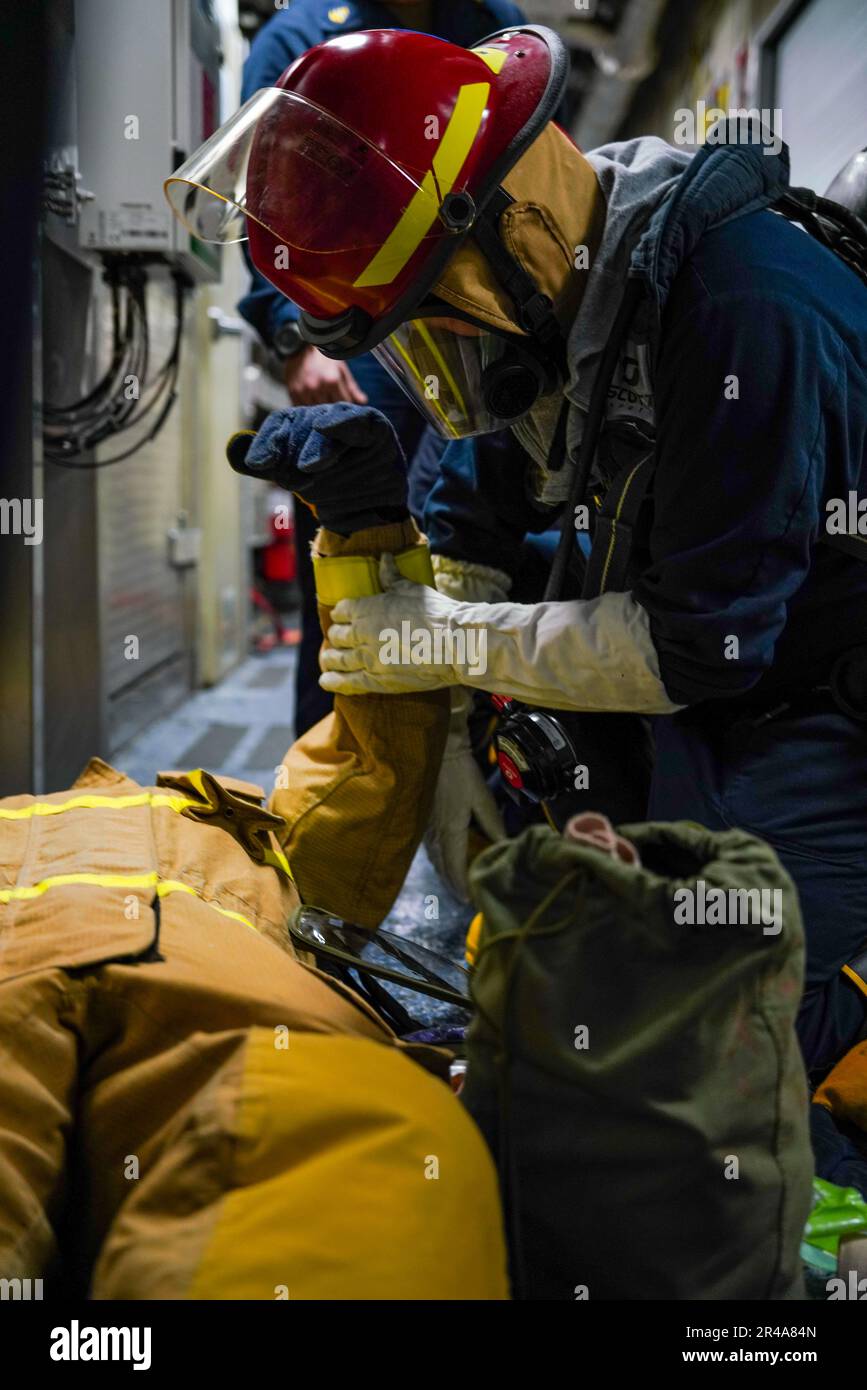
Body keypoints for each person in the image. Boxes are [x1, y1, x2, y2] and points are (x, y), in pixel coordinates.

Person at [164, 24, 867, 1079]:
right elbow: (467, 528)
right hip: (705, 674)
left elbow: (698, 653)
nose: (434, 355)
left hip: (818, 699)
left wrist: (445, 645)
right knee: (581, 933)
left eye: (430, 310)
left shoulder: (741, 311)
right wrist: (439, 712)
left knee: (707, 1034)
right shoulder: (553, 301)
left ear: (517, 221)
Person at [237, 0, 526, 737]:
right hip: (362, 337)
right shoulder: (299, 38)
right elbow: (262, 205)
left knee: (468, 545)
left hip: (476, 325)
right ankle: (333, 790)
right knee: (351, 569)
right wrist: (295, 339)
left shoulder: (491, 18)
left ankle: (468, 771)